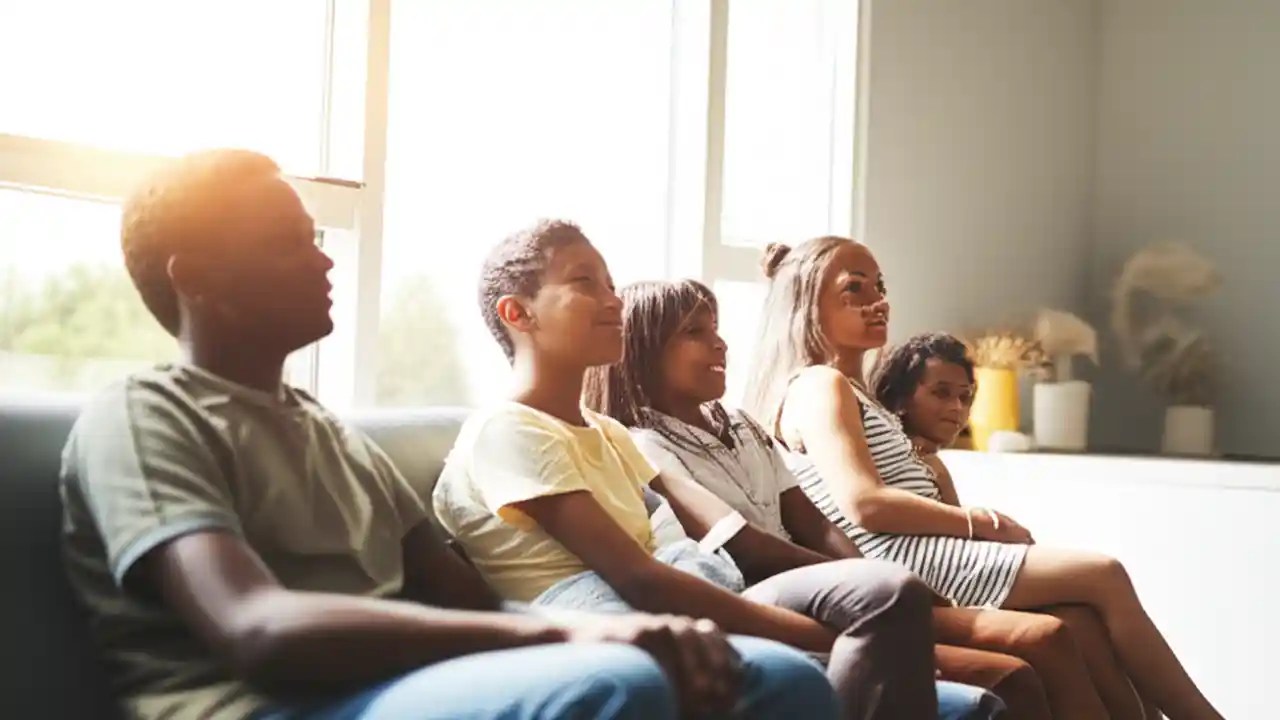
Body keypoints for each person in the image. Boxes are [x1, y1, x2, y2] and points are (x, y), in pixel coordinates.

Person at [59, 149, 807, 720]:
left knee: (784, 678)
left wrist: (628, 629)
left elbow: (470, 602)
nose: (323, 257)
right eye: (288, 243)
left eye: (315, 236)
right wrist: (567, 639)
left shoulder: (330, 434)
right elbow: (256, 628)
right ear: (197, 279)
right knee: (618, 686)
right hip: (268, 704)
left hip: (397, 687)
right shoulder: (144, 414)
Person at [432, 219, 993, 720]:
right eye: (585, 283)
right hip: (607, 617)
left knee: (897, 601)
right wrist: (823, 637)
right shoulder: (509, 429)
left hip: (689, 588)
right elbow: (638, 577)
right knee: (891, 617)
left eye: (610, 283)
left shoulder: (607, 433)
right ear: (518, 312)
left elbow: (691, 542)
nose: (613, 300)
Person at [583, 277, 1125, 719]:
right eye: (695, 332)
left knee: (1063, 628)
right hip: (764, 594)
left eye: (717, 327)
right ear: (645, 351)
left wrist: (868, 576)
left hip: (833, 586)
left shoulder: (743, 426)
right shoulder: (643, 444)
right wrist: (864, 583)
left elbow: (815, 522)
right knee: (1025, 656)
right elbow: (745, 549)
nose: (720, 342)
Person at [741, 235, 1224, 720]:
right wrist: (981, 523)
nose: (877, 301)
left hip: (923, 548)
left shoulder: (857, 394)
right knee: (1104, 574)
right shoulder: (818, 385)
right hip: (899, 557)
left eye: (880, 287)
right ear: (807, 305)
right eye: (855, 290)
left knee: (1080, 620)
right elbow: (863, 502)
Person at [872, 331, 1163, 719]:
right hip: (928, 581)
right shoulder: (896, 456)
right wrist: (990, 525)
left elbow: (956, 538)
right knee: (1104, 573)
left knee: (1082, 621)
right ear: (902, 399)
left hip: (959, 573)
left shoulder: (931, 463)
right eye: (941, 393)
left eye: (965, 396)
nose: (956, 407)